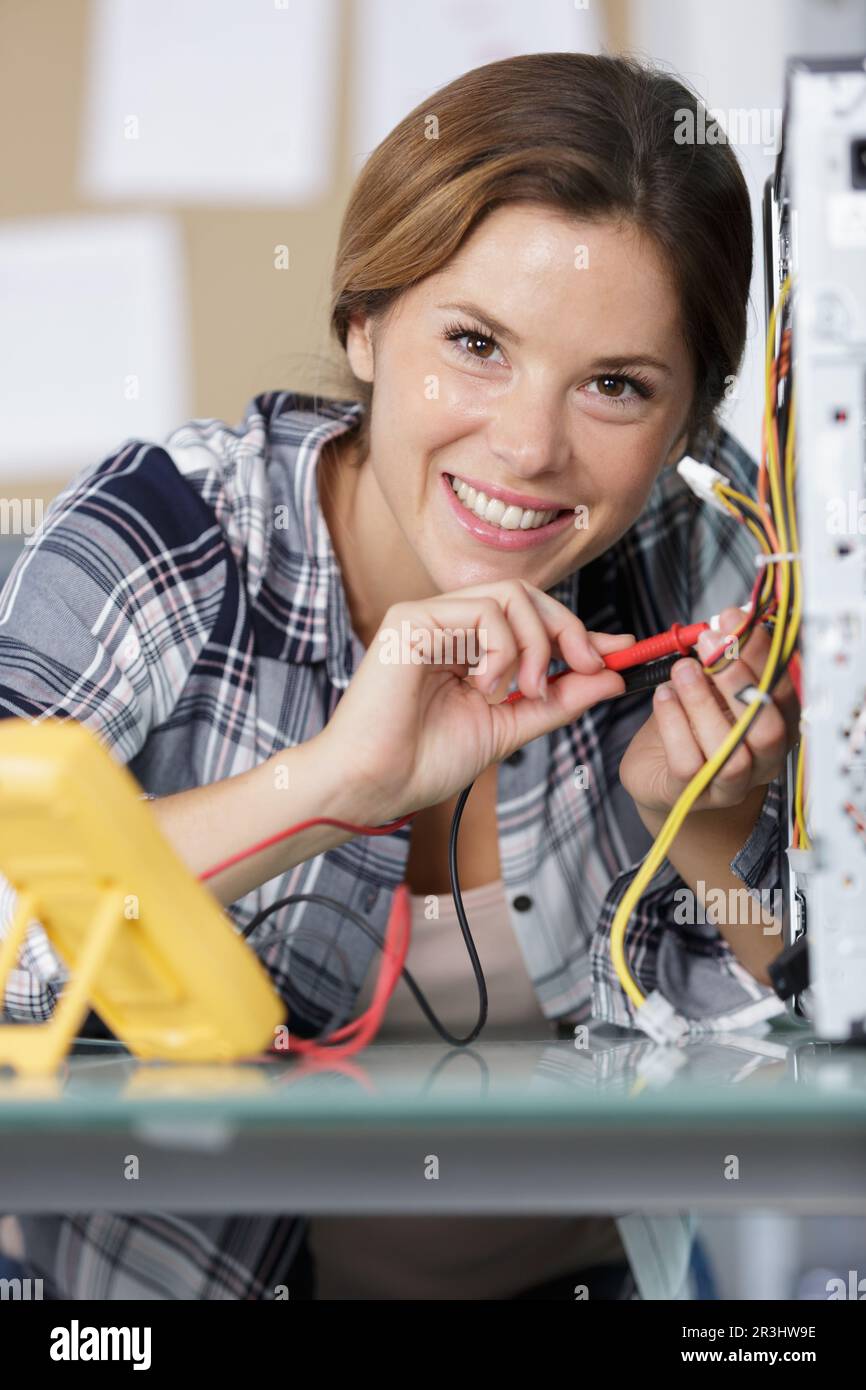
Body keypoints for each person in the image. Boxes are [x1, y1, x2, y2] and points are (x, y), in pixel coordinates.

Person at [0, 51, 796, 1300]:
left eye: (614, 386)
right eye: (475, 343)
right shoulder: (168, 533)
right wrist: (331, 785)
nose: (528, 447)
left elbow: (793, 1028)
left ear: (692, 422)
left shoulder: (719, 578)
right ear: (361, 325)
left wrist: (708, 836)